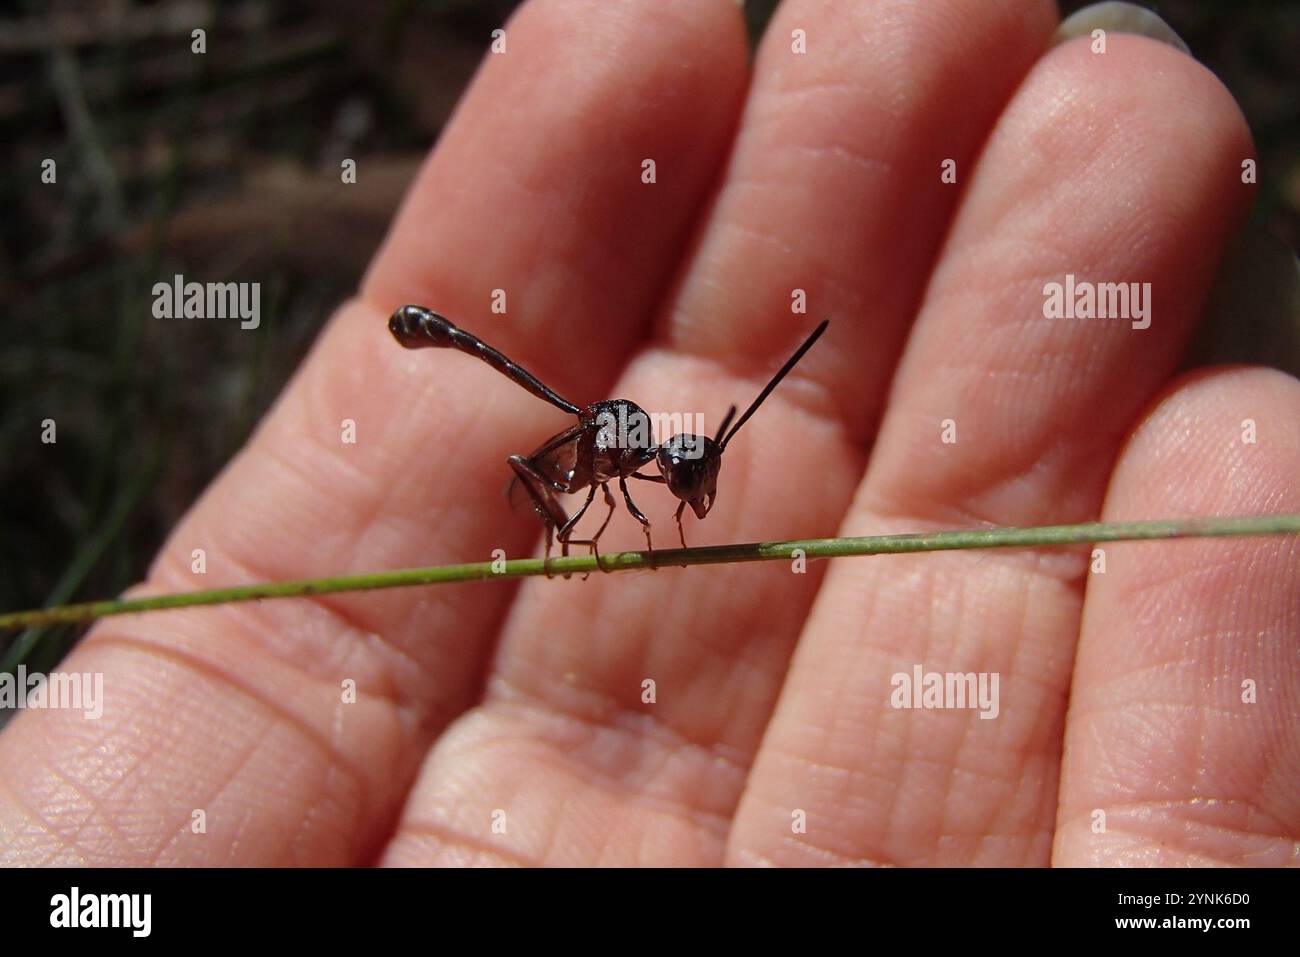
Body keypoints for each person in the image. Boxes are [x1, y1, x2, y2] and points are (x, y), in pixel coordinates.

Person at [2, 0, 1296, 866]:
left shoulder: (663, 452)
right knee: (563, 470)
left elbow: (658, 474)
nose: (687, 482)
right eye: (683, 470)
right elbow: (602, 481)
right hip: (544, 443)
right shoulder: (598, 458)